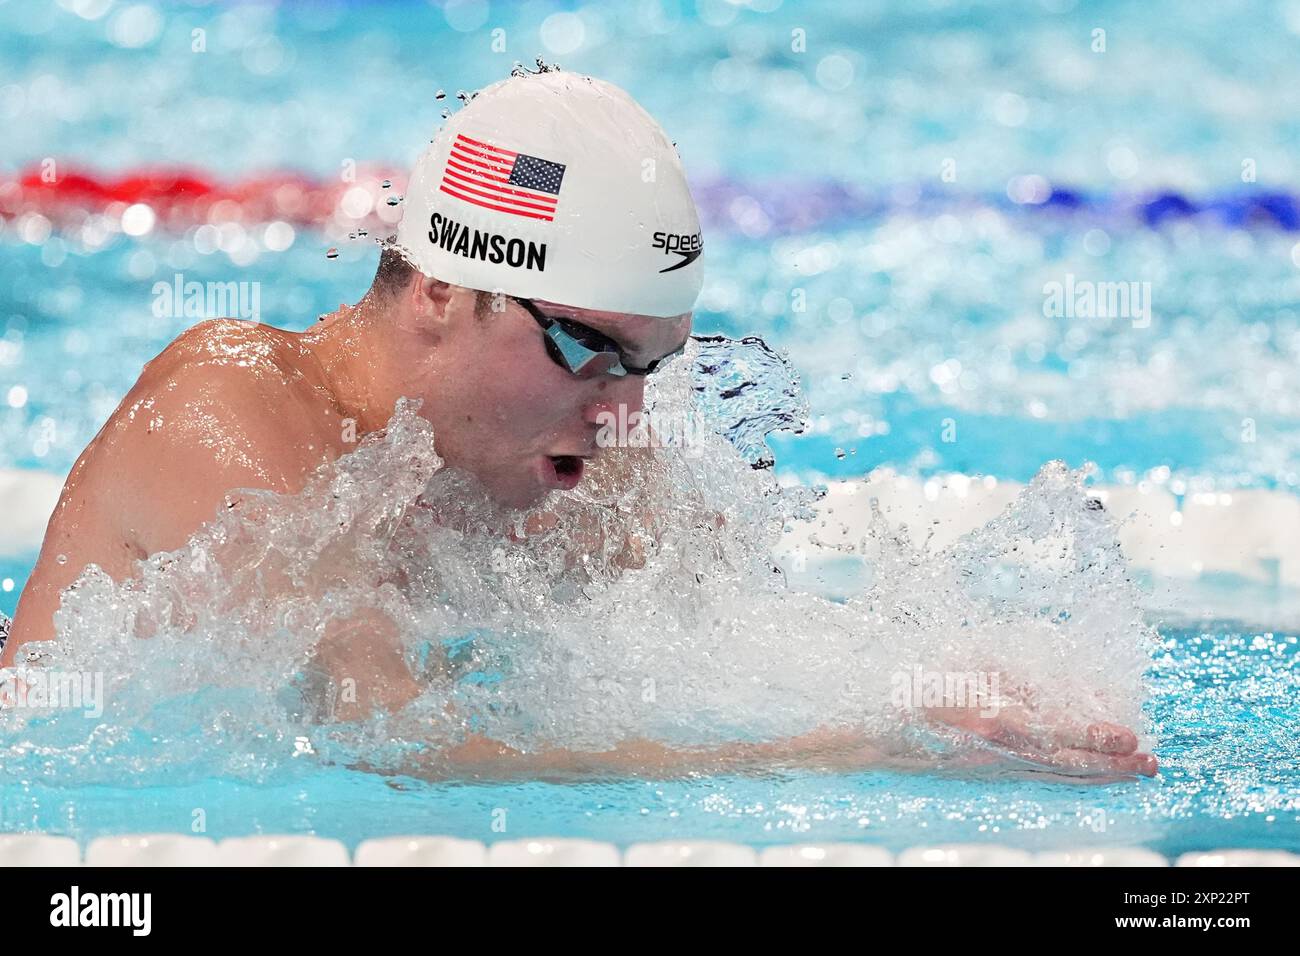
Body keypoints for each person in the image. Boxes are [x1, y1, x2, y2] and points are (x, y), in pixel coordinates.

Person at [1, 70, 1156, 779]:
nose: (625, 408)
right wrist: (863, 748)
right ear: (445, 291)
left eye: (651, 362)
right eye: (584, 346)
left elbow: (732, 650)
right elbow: (389, 743)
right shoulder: (229, 415)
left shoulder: (559, 450)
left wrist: (932, 685)